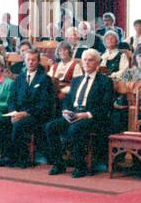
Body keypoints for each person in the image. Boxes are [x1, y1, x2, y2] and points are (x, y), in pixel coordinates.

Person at [43, 49, 114, 179]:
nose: (87, 63)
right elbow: (68, 101)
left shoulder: (105, 81)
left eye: (90, 60)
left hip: (92, 117)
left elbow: (105, 107)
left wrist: (85, 115)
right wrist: (65, 111)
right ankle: (59, 164)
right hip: (73, 115)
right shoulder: (76, 80)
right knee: (50, 127)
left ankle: (80, 166)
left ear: (97, 63)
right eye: (84, 60)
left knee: (75, 129)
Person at [0, 48, 55, 168]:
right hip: (17, 113)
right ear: (24, 61)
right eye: (28, 60)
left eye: (33, 60)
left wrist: (25, 113)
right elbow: (11, 99)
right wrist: (13, 112)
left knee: (19, 124)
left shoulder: (44, 79)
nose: (31, 62)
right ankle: (5, 155)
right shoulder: (19, 78)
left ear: (38, 61)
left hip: (35, 115)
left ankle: (19, 158)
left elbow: (45, 104)